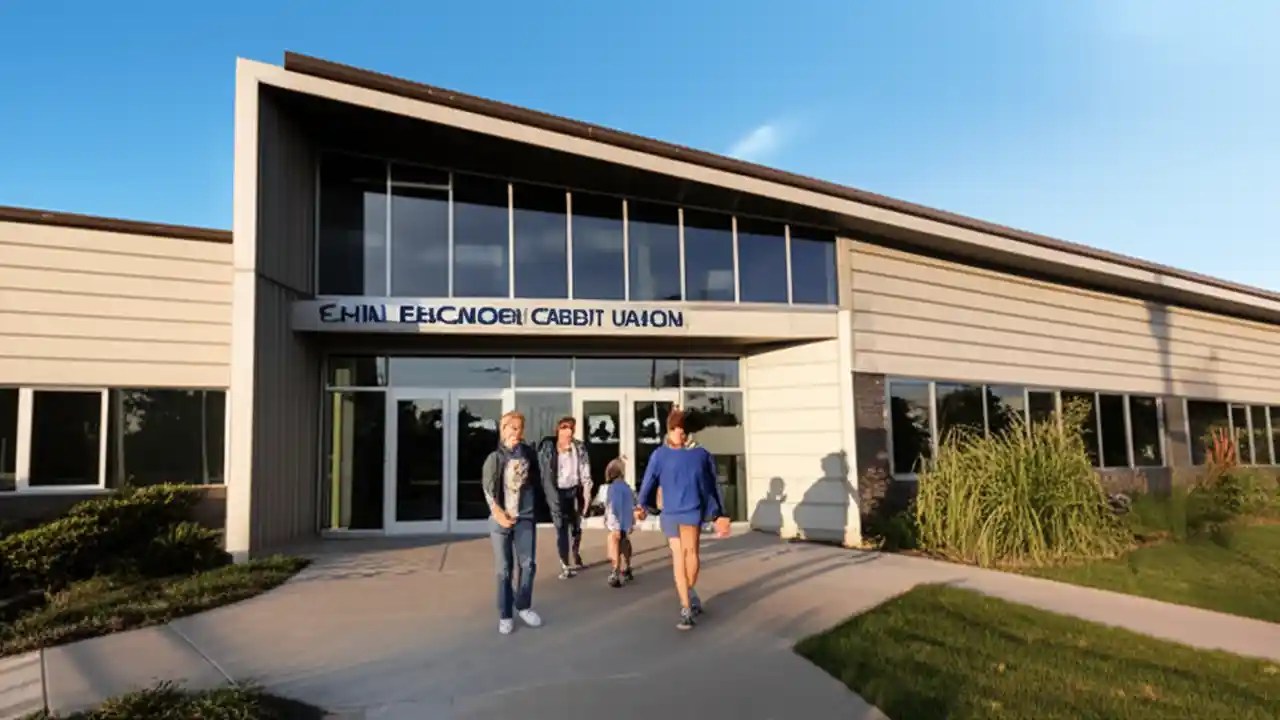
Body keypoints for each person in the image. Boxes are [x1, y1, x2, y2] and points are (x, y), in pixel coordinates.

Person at [636, 407, 731, 631]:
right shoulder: (660, 455)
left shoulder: (700, 455)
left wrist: (718, 514)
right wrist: (642, 506)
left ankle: (688, 593)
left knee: (692, 555)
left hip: (692, 510)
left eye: (682, 429)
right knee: (680, 556)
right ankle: (686, 605)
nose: (678, 432)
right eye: (674, 428)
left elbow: (711, 487)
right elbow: (648, 482)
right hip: (671, 513)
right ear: (668, 431)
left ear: (687, 431)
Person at [482, 410, 560, 635]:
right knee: (504, 570)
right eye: (511, 428)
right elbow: (488, 490)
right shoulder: (494, 458)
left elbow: (539, 481)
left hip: (524, 518)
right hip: (500, 521)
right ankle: (505, 614)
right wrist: (498, 513)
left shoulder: (528, 454)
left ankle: (523, 605)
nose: (516, 432)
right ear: (503, 430)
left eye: (519, 428)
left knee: (528, 565)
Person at [536, 416, 593, 578]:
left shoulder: (579, 448)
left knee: (575, 525)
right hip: (557, 491)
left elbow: (585, 471)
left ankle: (575, 551)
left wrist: (587, 495)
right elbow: (546, 475)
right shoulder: (550, 449)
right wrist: (551, 496)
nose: (568, 432)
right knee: (561, 527)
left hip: (573, 490)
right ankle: (565, 563)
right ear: (558, 430)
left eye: (571, 429)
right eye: (565, 429)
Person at [602, 456, 635, 587]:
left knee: (613, 540)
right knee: (624, 541)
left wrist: (608, 517)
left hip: (615, 519)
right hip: (626, 520)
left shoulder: (612, 488)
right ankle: (627, 566)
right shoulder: (627, 488)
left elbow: (611, 505)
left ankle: (615, 570)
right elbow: (633, 503)